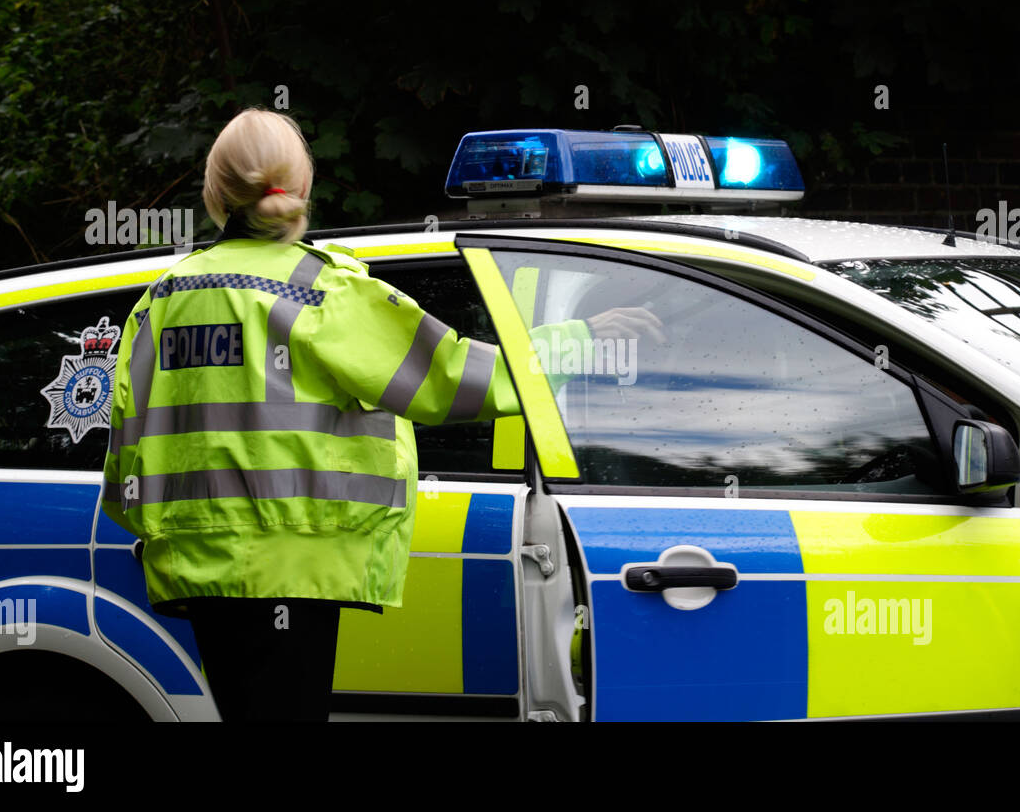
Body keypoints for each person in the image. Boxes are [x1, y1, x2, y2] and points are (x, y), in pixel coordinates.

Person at [99, 108, 661, 721]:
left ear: (217, 193)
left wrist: (168, 536)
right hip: (302, 565)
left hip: (198, 573)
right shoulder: (319, 290)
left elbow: (126, 452)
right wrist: (579, 340)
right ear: (301, 188)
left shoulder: (163, 299)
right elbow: (447, 379)